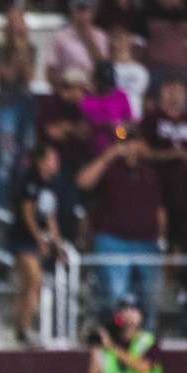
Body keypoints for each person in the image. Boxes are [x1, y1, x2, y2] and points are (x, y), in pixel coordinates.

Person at [77, 126, 167, 325]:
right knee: (116, 295)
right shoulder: (108, 168)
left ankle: (147, 345)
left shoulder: (149, 172)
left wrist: (161, 238)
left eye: (132, 141)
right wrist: (108, 156)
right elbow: (83, 182)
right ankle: (116, 339)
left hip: (146, 241)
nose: (128, 146)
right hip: (113, 240)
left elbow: (159, 209)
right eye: (123, 142)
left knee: (148, 296)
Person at [10, 144, 67, 347]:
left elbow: (50, 217)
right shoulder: (31, 180)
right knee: (33, 281)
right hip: (24, 239)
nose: (56, 163)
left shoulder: (50, 184)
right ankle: (22, 330)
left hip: (36, 241)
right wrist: (40, 240)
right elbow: (27, 212)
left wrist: (59, 245)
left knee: (30, 286)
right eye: (52, 159)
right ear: (41, 161)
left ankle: (21, 328)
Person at [35, 67, 92, 240]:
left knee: (72, 206)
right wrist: (72, 129)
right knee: (53, 207)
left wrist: (68, 127)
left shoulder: (86, 106)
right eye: (73, 87)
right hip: (53, 167)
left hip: (77, 164)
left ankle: (70, 241)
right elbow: (54, 132)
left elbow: (86, 132)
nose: (77, 92)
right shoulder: (50, 103)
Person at [140, 78, 187, 265]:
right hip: (156, 186)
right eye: (170, 89)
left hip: (182, 190)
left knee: (179, 236)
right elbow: (143, 151)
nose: (174, 94)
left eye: (179, 90)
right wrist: (175, 154)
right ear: (162, 92)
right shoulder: (152, 118)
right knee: (162, 236)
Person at [0, 7, 37, 205]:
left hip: (26, 104)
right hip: (6, 106)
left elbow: (29, 77)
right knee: (6, 158)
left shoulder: (31, 48)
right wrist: (15, 51)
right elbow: (6, 77)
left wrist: (23, 50)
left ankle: (21, 205)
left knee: (25, 158)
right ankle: (2, 207)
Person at [46, 0, 108, 90]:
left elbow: (103, 68)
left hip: (92, 88)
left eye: (86, 11)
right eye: (79, 11)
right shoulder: (60, 36)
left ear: (92, 13)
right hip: (69, 86)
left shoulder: (100, 36)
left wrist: (88, 39)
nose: (82, 16)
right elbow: (52, 68)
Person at [81, 61, 133, 155]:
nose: (107, 88)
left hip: (117, 149)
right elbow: (84, 128)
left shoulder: (120, 96)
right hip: (93, 150)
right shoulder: (86, 99)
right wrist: (104, 125)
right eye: (103, 83)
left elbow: (129, 123)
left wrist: (119, 130)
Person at [109, 26, 150, 121]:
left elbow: (142, 95)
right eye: (118, 38)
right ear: (111, 41)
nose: (121, 42)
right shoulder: (108, 68)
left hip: (134, 113)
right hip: (113, 115)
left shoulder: (140, 70)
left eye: (124, 38)